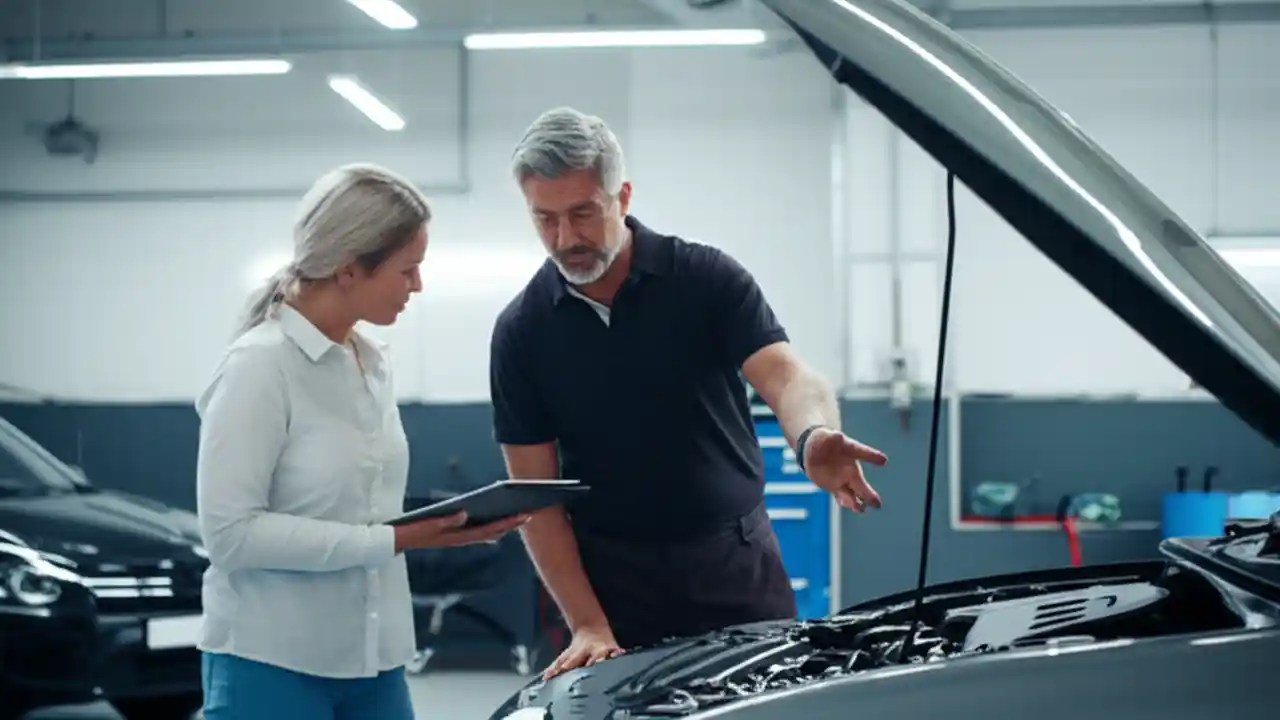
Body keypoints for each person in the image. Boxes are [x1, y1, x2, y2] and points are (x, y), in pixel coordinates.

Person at [489, 107, 890, 680]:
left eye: (583, 213)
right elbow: (534, 496)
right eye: (544, 219)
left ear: (621, 196)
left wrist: (812, 435)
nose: (566, 239)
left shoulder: (705, 280)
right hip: (614, 588)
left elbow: (786, 375)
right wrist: (586, 623)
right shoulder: (521, 332)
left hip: (735, 568)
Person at [194, 163, 529, 719]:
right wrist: (396, 541)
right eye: (407, 270)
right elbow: (229, 535)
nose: (417, 285)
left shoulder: (369, 363)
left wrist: (437, 535)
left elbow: (365, 514)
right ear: (350, 269)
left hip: (375, 664)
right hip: (269, 665)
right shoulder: (258, 367)